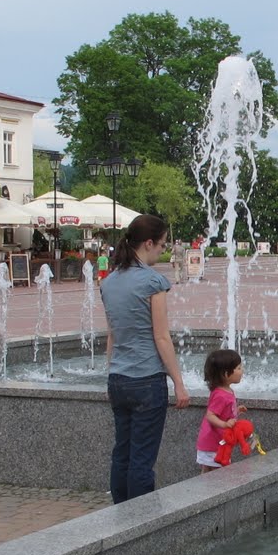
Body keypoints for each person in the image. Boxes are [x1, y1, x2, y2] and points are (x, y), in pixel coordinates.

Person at [100, 215, 190, 503]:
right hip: (147, 380)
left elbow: (112, 336)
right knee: (142, 458)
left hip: (118, 379)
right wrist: (178, 382)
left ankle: (120, 512)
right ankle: (140, 520)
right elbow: (161, 337)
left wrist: (112, 371)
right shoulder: (153, 282)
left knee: (122, 453)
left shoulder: (109, 283)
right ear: (148, 243)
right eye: (162, 245)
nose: (162, 251)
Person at [196, 348, 246, 472]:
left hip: (218, 442)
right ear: (226, 374)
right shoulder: (220, 395)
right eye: (238, 368)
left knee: (211, 472)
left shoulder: (227, 391)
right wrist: (224, 424)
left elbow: (224, 412)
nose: (242, 371)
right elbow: (210, 415)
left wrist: (236, 411)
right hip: (212, 443)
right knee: (214, 473)